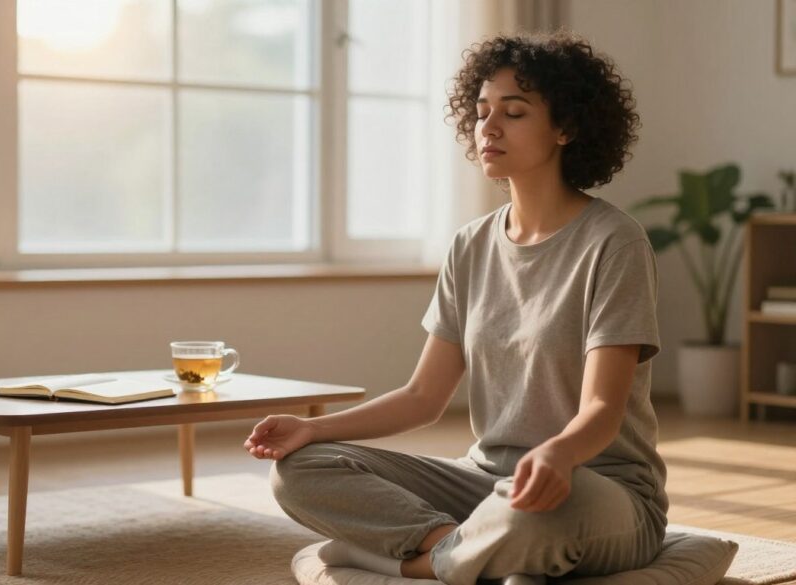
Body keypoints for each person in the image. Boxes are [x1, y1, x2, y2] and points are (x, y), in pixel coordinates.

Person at [243, 31, 668, 585]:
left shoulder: (615, 242)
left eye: (513, 113)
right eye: (481, 110)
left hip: (596, 487)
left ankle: (414, 562)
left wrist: (559, 456)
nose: (488, 127)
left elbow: (602, 409)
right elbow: (423, 397)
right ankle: (466, 551)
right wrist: (312, 429)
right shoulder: (470, 245)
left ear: (566, 128)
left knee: (538, 513)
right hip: (487, 485)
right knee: (299, 471)